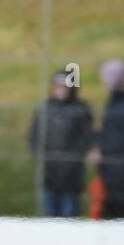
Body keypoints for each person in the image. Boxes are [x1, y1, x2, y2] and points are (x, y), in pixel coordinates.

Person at [28, 67, 93, 217]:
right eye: (58, 86)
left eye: (65, 86)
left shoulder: (81, 109)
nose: (61, 90)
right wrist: (41, 156)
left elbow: (87, 138)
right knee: (50, 216)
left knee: (70, 215)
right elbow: (34, 136)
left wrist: (74, 159)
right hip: (48, 172)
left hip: (72, 175)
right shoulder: (45, 108)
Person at [95, 59, 124, 219]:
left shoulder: (118, 103)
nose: (105, 81)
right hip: (109, 167)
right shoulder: (111, 102)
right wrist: (99, 146)